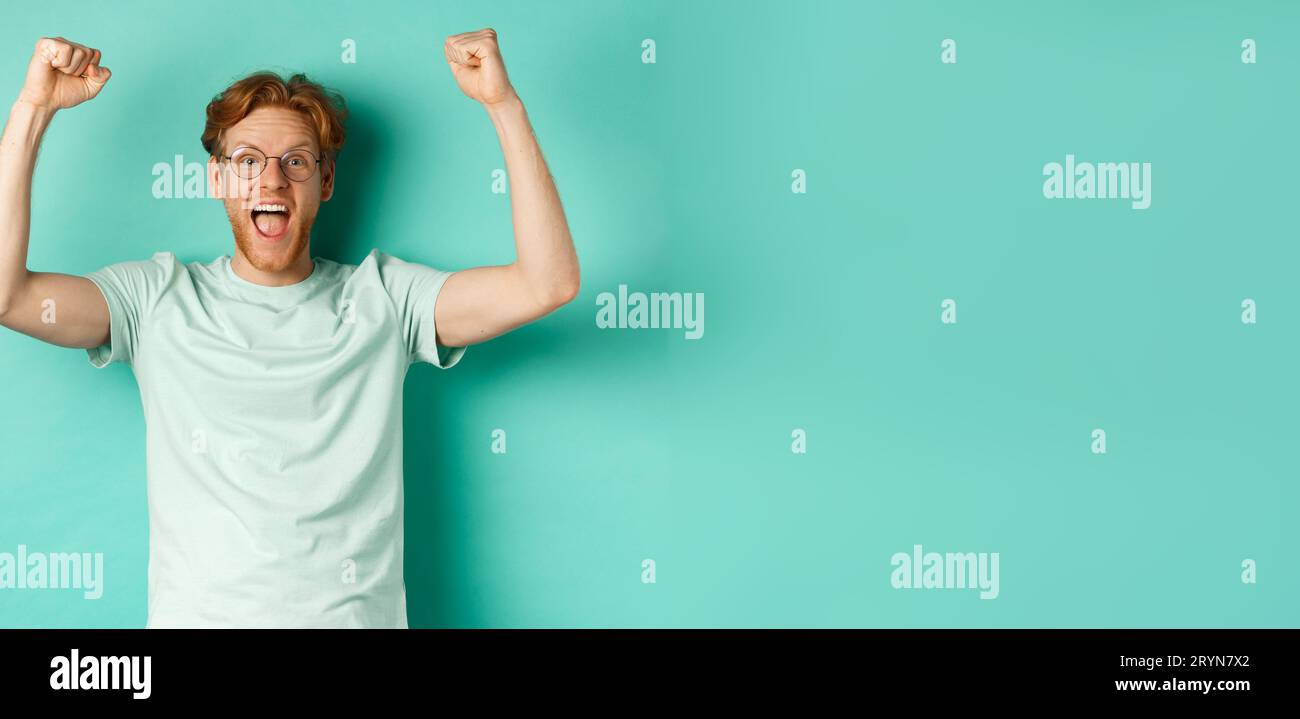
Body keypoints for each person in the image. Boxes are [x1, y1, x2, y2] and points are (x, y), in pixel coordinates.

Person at [0, 30, 579, 628]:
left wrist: (503, 105)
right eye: (248, 161)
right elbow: (6, 294)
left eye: (295, 162)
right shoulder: (155, 300)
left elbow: (548, 283)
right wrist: (33, 109)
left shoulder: (385, 298)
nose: (271, 182)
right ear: (217, 179)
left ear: (324, 183)